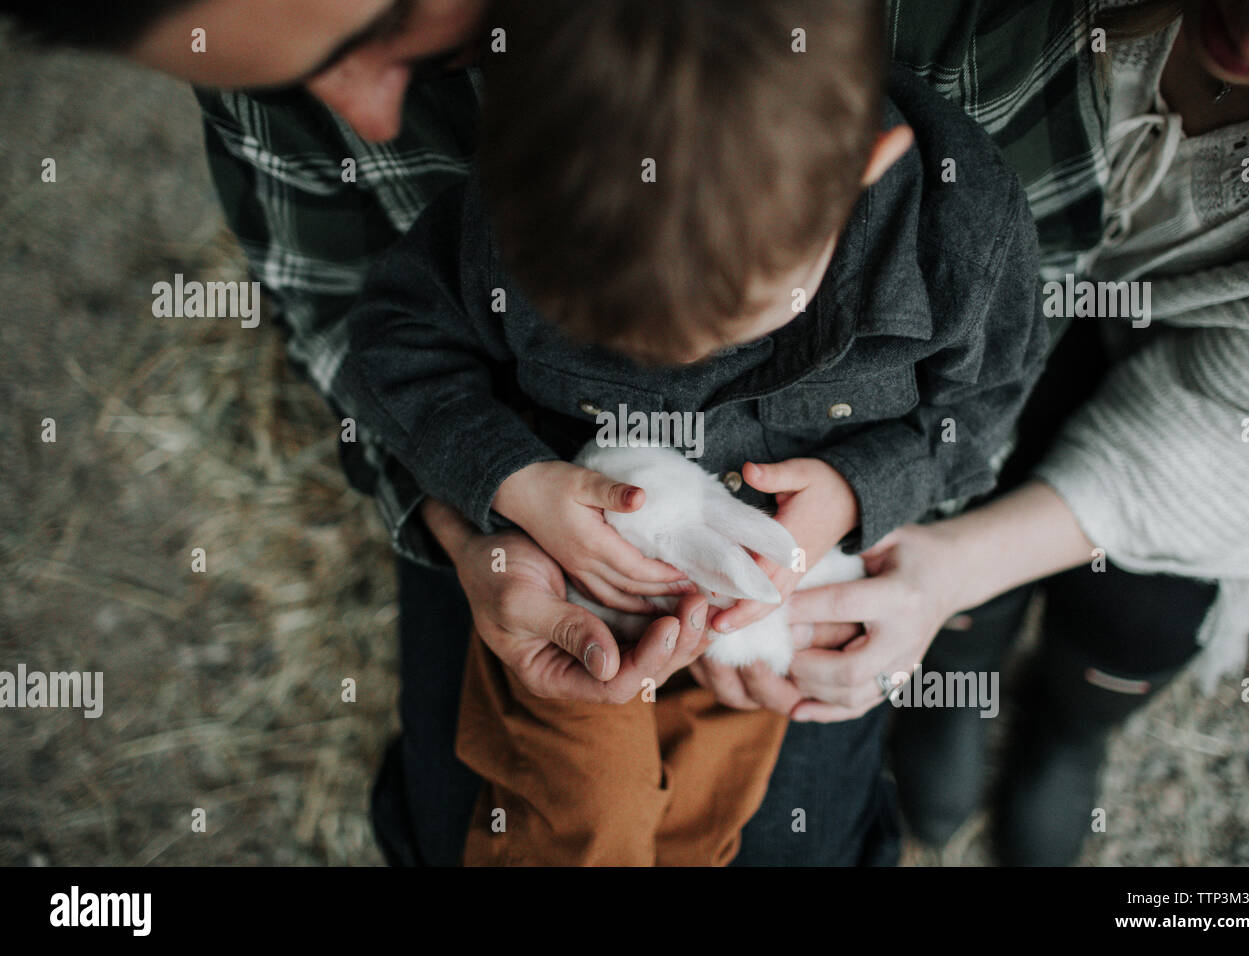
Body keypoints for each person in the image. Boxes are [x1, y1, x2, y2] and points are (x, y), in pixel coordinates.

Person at [333, 0, 1045, 864]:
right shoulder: (499, 215)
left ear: (860, 166)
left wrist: (860, 487)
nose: (674, 367)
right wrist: (513, 484)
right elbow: (387, 348)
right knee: (574, 819)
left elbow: (975, 418)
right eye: (610, 329)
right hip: (567, 564)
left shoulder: (962, 232)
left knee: (740, 825)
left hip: (779, 587)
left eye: (737, 314)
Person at [782, 0, 1249, 865]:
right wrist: (938, 571)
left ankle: (1070, 727)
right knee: (947, 465)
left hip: (1241, 382)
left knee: (1149, 603)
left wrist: (961, 564)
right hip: (990, 303)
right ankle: (960, 672)